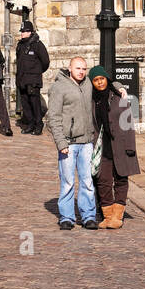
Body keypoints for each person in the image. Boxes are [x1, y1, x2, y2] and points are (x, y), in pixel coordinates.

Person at [47, 56, 97, 229]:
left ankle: (88, 216)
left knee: (87, 182)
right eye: (78, 68)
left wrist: (120, 88)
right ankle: (67, 217)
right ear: (70, 68)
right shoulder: (59, 87)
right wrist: (61, 143)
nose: (81, 72)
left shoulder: (88, 84)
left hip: (86, 142)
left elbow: (107, 82)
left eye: (84, 69)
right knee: (68, 182)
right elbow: (53, 117)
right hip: (68, 143)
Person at [89, 66, 140, 227]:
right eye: (96, 80)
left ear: (107, 79)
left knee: (121, 179)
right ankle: (107, 216)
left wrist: (130, 146)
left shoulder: (119, 97)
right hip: (101, 146)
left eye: (102, 79)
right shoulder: (90, 99)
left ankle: (117, 217)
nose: (99, 83)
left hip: (120, 144)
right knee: (103, 181)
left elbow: (128, 123)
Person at [15, 21, 50, 135]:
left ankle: (38, 124)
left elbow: (45, 62)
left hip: (33, 80)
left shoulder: (37, 45)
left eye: (24, 31)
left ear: (30, 32)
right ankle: (30, 124)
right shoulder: (20, 45)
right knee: (25, 104)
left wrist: (37, 72)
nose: (22, 34)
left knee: (35, 103)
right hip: (22, 79)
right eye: (22, 31)